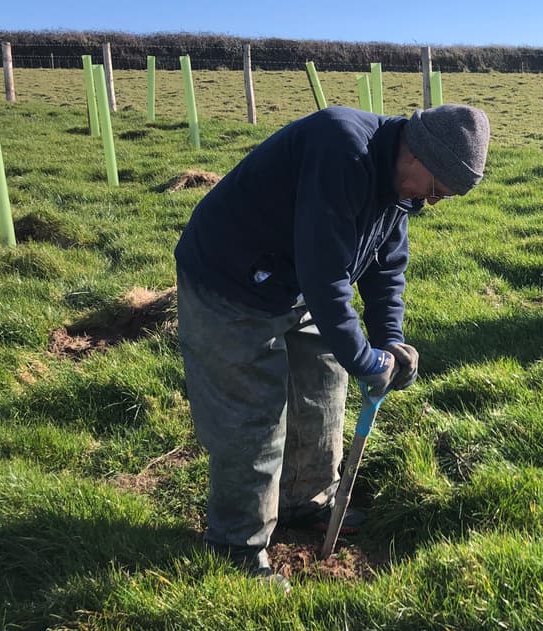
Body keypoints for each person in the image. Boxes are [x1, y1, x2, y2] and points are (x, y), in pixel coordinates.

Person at [174, 103, 491, 591]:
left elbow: (386, 269)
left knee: (324, 388)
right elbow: (327, 276)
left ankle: (306, 499)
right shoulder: (343, 149)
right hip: (230, 280)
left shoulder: (399, 184)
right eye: (432, 189)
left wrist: (390, 341)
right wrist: (366, 360)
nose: (429, 202)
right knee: (253, 417)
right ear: (418, 151)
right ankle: (236, 546)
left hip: (293, 282)